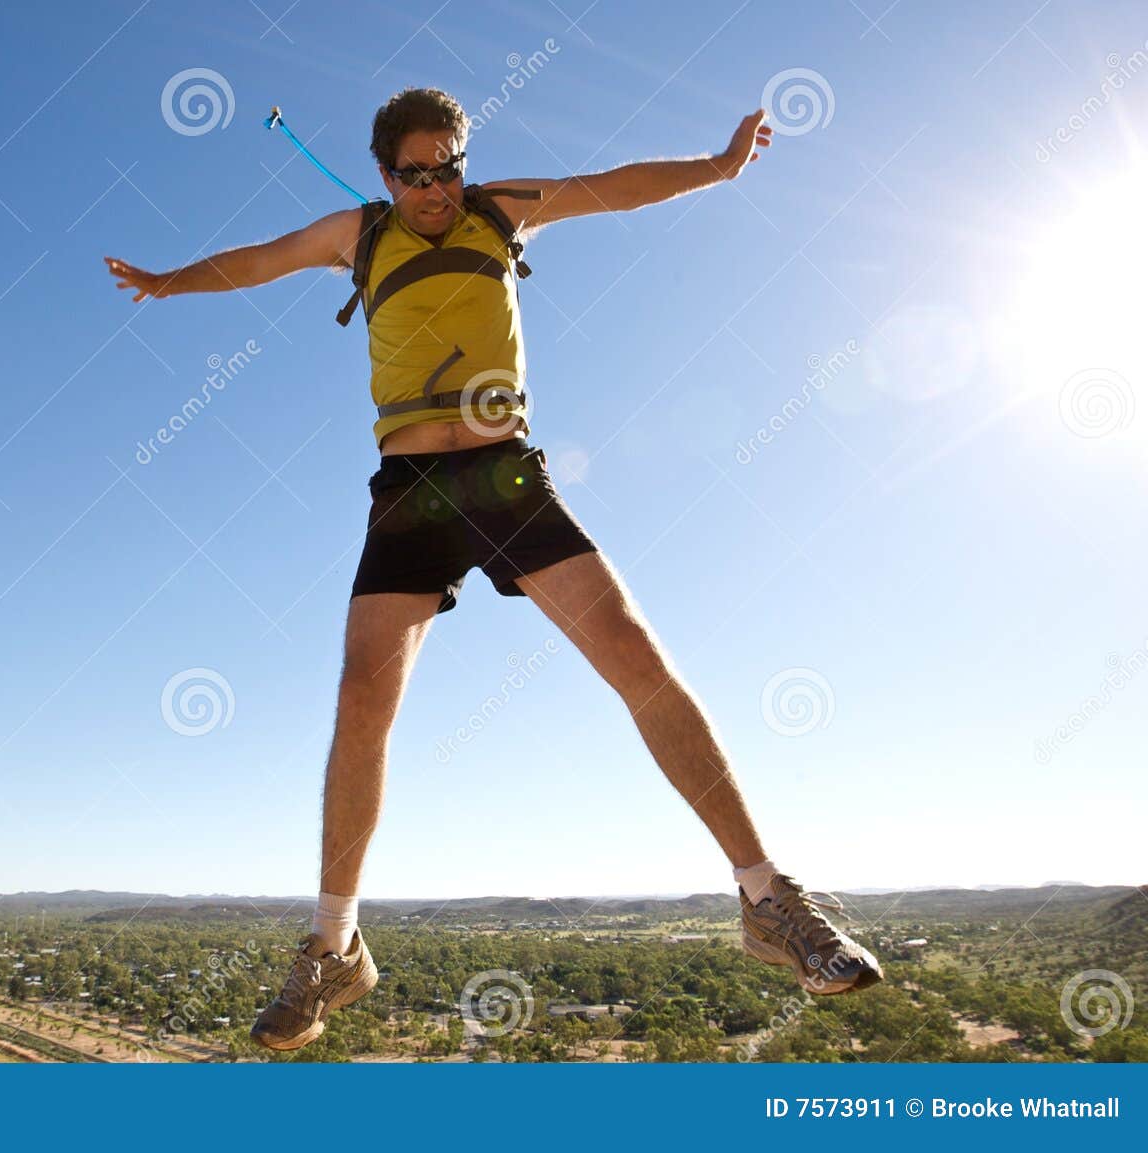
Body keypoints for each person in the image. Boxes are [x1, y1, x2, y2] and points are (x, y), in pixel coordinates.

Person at [105, 87, 881, 1055]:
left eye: (448, 169)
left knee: (634, 656)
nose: (436, 190)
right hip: (410, 490)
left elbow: (614, 187)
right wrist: (169, 283)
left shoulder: (500, 210)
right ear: (386, 173)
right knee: (361, 698)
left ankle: (767, 901)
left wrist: (718, 167)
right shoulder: (359, 234)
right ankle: (335, 949)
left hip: (504, 473)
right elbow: (259, 259)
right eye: (415, 174)